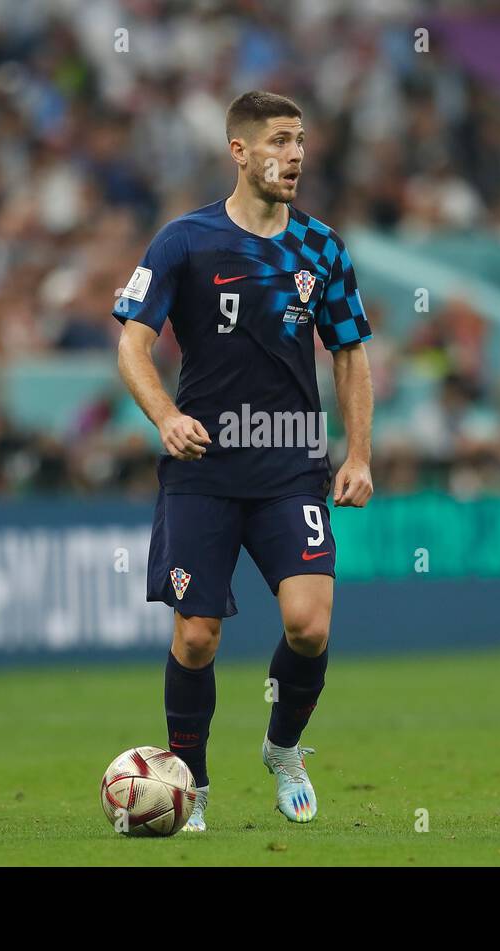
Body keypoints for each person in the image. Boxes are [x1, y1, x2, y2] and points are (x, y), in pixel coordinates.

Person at [113, 91, 374, 831]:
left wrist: (359, 453)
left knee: (308, 626)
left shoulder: (322, 247)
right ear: (239, 150)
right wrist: (165, 415)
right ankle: (189, 783)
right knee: (196, 635)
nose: (295, 154)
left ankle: (283, 749)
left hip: (291, 464)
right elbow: (132, 342)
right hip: (204, 469)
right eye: (281, 140)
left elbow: (351, 351)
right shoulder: (183, 241)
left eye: (301, 141)